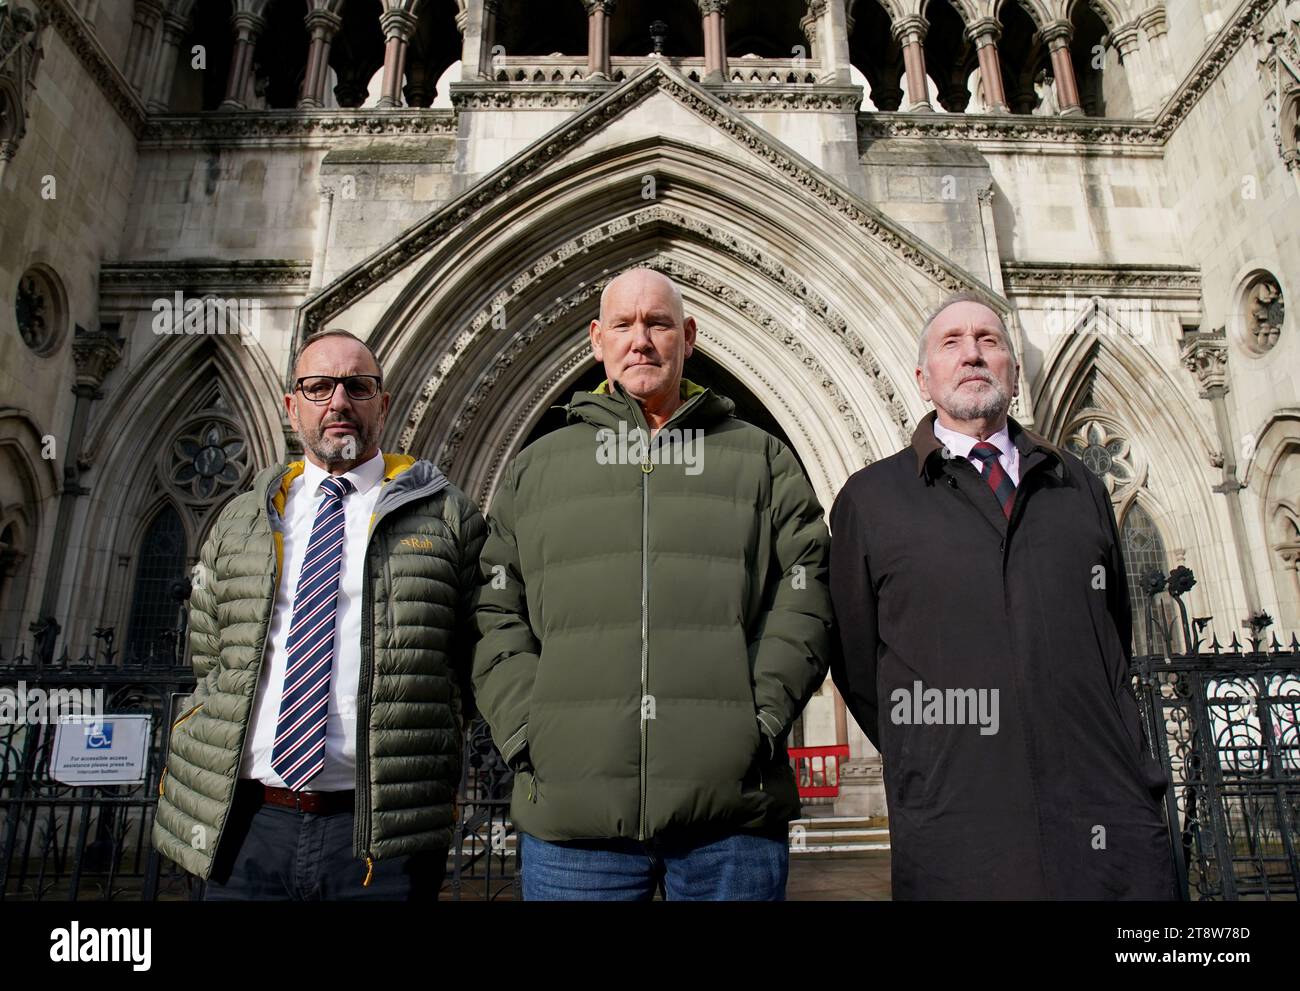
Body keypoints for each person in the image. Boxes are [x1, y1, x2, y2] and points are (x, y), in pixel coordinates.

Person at [472, 268, 833, 901]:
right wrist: (530, 733)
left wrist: (762, 719)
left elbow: (804, 595)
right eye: (624, 325)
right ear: (596, 340)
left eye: (659, 323)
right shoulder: (535, 469)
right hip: (573, 821)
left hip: (731, 820)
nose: (641, 340)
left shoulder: (762, 460)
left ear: (688, 336)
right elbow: (496, 610)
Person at [829, 292, 1179, 900]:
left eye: (989, 341)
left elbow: (1109, 636)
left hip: (1101, 804)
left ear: (1014, 373)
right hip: (957, 819)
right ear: (922, 378)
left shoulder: (1079, 485)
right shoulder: (872, 499)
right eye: (952, 343)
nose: (972, 354)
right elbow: (858, 662)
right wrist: (929, 747)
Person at [153, 329, 487, 900]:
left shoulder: (446, 516)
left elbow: (474, 652)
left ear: (382, 404)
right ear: (291, 406)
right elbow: (211, 657)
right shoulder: (243, 519)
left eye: (358, 387)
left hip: (380, 841)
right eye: (318, 387)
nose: (339, 403)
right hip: (245, 827)